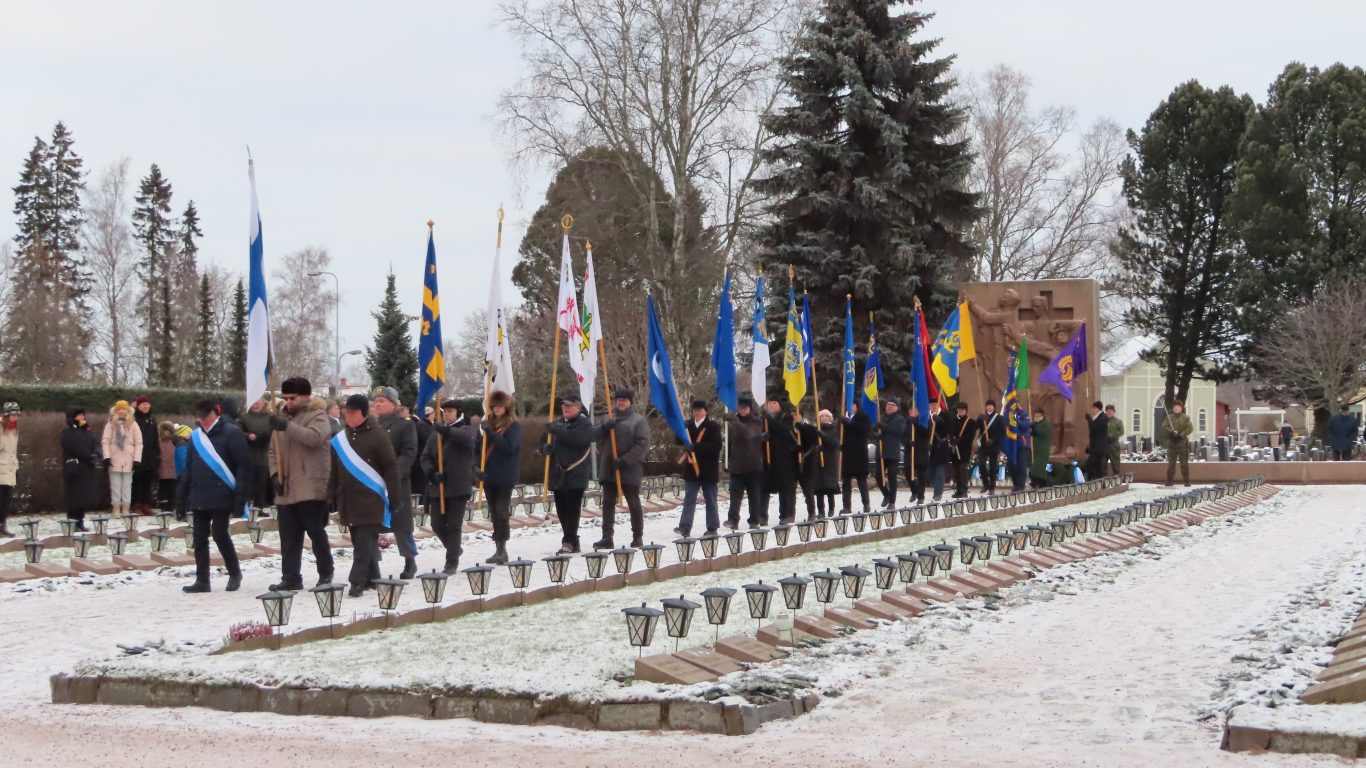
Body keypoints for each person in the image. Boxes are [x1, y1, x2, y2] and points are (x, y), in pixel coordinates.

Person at [267, 377, 336, 591]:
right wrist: (274, 474)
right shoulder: (282, 419)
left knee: (315, 532)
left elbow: (313, 438)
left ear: (305, 396)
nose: (288, 402)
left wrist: (287, 426)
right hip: (287, 486)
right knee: (288, 536)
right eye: (286, 398)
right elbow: (272, 450)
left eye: (293, 397)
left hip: (311, 485)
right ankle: (290, 577)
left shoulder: (318, 415)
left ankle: (325, 571)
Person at [176, 399, 251, 594]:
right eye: (201, 418)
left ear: (215, 414)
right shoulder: (196, 437)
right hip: (199, 494)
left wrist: (240, 498)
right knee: (199, 538)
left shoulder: (232, 433)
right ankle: (202, 580)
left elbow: (243, 466)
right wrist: (181, 499)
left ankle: (234, 573)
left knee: (219, 534)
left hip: (223, 493)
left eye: (207, 417)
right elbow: (189, 470)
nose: (204, 421)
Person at [329, 394, 400, 597]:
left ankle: (356, 582)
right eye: (346, 412)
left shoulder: (378, 435)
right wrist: (331, 495)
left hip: (371, 499)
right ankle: (372, 577)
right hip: (348, 500)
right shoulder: (341, 439)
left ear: (363, 413)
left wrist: (394, 498)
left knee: (363, 543)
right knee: (361, 541)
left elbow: (391, 468)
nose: (348, 416)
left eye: (352, 412)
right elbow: (334, 470)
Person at [422, 399, 480, 574]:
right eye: (444, 411)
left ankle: (451, 561)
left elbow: (467, 440)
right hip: (438, 487)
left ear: (458, 413)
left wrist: (446, 431)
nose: (446, 414)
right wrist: (432, 472)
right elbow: (425, 457)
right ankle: (454, 548)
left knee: (454, 525)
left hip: (458, 487)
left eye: (450, 411)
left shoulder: (466, 429)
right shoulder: (435, 434)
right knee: (437, 525)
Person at [594, 386, 650, 549]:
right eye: (618, 400)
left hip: (629, 468)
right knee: (608, 503)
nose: (621, 403)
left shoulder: (638, 421)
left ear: (630, 402)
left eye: (624, 400)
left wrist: (625, 460)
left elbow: (642, 445)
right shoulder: (608, 419)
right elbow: (593, 434)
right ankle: (607, 537)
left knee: (633, 503)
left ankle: (637, 536)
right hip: (609, 468)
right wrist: (604, 427)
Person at [372, 386, 418, 579]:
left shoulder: (405, 426)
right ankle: (372, 563)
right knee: (372, 525)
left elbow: (409, 453)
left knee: (401, 525)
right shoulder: (372, 426)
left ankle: (409, 560)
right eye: (376, 401)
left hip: (396, 484)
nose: (377, 404)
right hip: (374, 483)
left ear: (393, 404)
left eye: (382, 401)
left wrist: (393, 475)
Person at [543, 394, 593, 554]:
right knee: (562, 510)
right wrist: (544, 448)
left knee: (572, 509)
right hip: (558, 474)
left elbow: (578, 439)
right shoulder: (557, 423)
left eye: (569, 405)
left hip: (576, 473)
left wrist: (557, 430)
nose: (565, 408)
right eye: (564, 405)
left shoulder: (584, 423)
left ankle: (568, 541)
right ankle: (572, 540)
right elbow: (542, 443)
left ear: (578, 408)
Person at [477, 390, 522, 564]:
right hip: (489, 475)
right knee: (494, 513)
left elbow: (509, 447)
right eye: (494, 405)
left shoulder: (513, 426)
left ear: (506, 407)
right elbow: (477, 448)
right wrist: (475, 466)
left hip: (505, 474)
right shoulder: (486, 425)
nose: (497, 408)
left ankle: (502, 548)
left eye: (500, 405)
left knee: (501, 511)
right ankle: (497, 548)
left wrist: (492, 434)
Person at [675, 400, 722, 537]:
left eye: (700, 410)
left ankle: (712, 527)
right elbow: (678, 441)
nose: (697, 413)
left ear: (706, 411)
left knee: (711, 500)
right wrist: (680, 430)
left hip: (708, 469)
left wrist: (696, 447)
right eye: (695, 410)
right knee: (689, 499)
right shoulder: (688, 425)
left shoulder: (713, 426)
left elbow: (716, 446)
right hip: (691, 469)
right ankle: (684, 527)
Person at [722, 396, 765, 530]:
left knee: (754, 495)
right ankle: (732, 519)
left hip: (753, 465)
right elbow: (729, 443)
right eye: (740, 408)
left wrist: (734, 420)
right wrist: (726, 461)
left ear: (750, 409)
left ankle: (754, 520)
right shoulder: (733, 423)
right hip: (737, 465)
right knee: (735, 495)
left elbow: (748, 433)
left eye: (745, 408)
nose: (743, 411)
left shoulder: (756, 422)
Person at [101, 400, 142, 521]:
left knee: (126, 486)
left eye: (124, 409)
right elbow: (105, 441)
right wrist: (107, 456)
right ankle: (116, 508)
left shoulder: (134, 425)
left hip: (129, 458)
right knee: (115, 485)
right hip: (115, 457)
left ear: (128, 411)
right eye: (119, 409)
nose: (122, 411)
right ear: (116, 411)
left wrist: (137, 459)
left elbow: (139, 443)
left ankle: (125, 508)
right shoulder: (110, 424)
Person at [61, 408, 100, 531]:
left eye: (83, 415)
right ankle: (72, 521)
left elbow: (96, 443)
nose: (82, 418)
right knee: (74, 496)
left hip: (87, 467)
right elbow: (71, 446)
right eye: (79, 416)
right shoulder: (67, 431)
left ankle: (80, 520)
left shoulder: (87, 430)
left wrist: (96, 453)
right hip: (74, 467)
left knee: (84, 496)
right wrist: (87, 455)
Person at [763, 397, 799, 525]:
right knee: (765, 488)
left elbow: (783, 430)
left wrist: (770, 421)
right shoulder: (764, 419)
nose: (771, 405)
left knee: (786, 488)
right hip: (769, 458)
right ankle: (762, 516)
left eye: (774, 403)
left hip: (785, 457)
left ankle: (787, 514)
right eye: (770, 403)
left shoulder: (786, 417)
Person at [238, 397, 275, 510]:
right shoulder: (244, 416)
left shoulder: (270, 417)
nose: (255, 405)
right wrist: (247, 435)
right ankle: (246, 507)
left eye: (258, 402)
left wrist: (265, 435)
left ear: (264, 403)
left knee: (261, 482)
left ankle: (260, 505)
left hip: (264, 454)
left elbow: (274, 431)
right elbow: (238, 430)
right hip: (249, 454)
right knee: (249, 483)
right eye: (253, 402)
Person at [803, 409, 840, 517]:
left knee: (829, 487)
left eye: (826, 416)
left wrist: (822, 435)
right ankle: (821, 511)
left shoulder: (833, 429)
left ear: (830, 418)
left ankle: (831, 508)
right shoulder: (816, 430)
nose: (824, 418)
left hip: (829, 461)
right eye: (822, 416)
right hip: (817, 461)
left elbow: (832, 443)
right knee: (819, 489)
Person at [839, 402, 872, 514]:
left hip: (859, 454)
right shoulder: (842, 417)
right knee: (846, 483)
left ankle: (866, 503)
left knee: (862, 481)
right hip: (847, 454)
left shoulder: (863, 417)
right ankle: (846, 506)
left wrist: (849, 423)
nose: (850, 407)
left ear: (857, 406)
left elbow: (864, 431)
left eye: (853, 404)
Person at [131, 395, 160, 516]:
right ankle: (136, 505)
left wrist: (157, 454)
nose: (146, 406)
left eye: (148, 404)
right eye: (143, 404)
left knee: (148, 482)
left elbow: (155, 438)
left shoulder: (152, 419)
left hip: (150, 455)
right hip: (138, 455)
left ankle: (146, 505)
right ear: (138, 406)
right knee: (137, 481)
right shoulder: (134, 419)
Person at [876, 399, 907, 508]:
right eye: (888, 404)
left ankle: (892, 501)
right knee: (878, 477)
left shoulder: (900, 419)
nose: (889, 406)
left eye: (892, 405)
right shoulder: (881, 417)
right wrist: (876, 434)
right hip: (881, 452)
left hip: (893, 453)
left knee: (892, 477)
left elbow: (897, 431)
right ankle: (886, 494)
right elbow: (873, 430)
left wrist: (882, 427)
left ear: (897, 407)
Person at [949, 402, 979, 498]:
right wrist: (952, 440)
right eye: (959, 409)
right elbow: (950, 432)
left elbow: (970, 436)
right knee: (956, 470)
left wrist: (960, 440)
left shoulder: (971, 422)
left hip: (964, 450)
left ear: (966, 411)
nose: (960, 411)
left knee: (963, 470)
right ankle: (958, 490)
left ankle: (964, 490)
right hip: (955, 450)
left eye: (962, 409)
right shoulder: (953, 420)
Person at [903, 404, 931, 505]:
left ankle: (921, 496)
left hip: (921, 451)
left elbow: (927, 433)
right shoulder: (907, 422)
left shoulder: (925, 421)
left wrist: (917, 425)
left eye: (914, 410)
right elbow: (902, 436)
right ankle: (914, 490)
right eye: (910, 410)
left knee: (921, 476)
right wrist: (907, 442)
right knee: (907, 471)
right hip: (910, 452)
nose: (912, 412)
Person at [975, 400, 1005, 494]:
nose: (989, 407)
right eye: (988, 405)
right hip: (983, 445)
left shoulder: (999, 418)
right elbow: (976, 427)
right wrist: (980, 419)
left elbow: (1002, 432)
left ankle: (992, 487)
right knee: (981, 464)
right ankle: (985, 484)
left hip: (994, 445)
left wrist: (993, 440)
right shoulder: (982, 416)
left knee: (993, 466)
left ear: (994, 407)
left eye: (991, 406)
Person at [1162, 401, 1194, 487]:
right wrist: (1171, 432)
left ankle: (1186, 481)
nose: (1176, 408)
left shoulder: (1186, 418)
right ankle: (1169, 480)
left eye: (1178, 407)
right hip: (1172, 443)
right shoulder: (1169, 417)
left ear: (1181, 408)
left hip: (1182, 444)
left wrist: (1182, 435)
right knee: (1171, 463)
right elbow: (1164, 426)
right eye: (1174, 407)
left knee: (1184, 463)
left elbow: (1190, 428)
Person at [0, 403, 18, 536]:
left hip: (9, 469)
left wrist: (15, 467)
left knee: (5, 499)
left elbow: (13, 451)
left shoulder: (14, 430)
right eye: (13, 414)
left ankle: (2, 524)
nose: (15, 417)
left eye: (17, 415)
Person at [929, 402, 953, 501]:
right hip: (930, 448)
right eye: (931, 404)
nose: (933, 406)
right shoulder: (926, 416)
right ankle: (936, 488)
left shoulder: (945, 415)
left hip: (941, 447)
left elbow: (950, 429)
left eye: (935, 404)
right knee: (931, 473)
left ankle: (938, 493)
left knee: (940, 472)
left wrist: (940, 421)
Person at [156, 421, 179, 512]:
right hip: (162, 469)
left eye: (169, 430)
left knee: (173, 489)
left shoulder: (174, 442)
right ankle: (163, 506)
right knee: (163, 489)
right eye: (165, 430)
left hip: (173, 470)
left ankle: (172, 505)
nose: (167, 432)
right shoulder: (158, 442)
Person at [1084, 401, 1108, 480]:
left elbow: (1095, 428)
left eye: (1093, 408)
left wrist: (1089, 419)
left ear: (1097, 408)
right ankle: (1100, 482)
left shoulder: (1103, 418)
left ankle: (1090, 481)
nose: (1092, 410)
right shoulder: (1098, 417)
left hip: (1099, 448)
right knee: (1097, 467)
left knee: (1089, 465)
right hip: (1096, 447)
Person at [1029, 409, 1052, 488]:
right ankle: (1041, 483)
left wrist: (1034, 426)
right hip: (1036, 449)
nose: (1036, 415)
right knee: (1039, 467)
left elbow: (1042, 432)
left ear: (1042, 415)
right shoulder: (1035, 423)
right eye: (1035, 413)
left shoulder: (1045, 424)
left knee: (1037, 467)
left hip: (1043, 449)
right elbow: (1032, 432)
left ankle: (1036, 482)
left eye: (1038, 414)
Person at [1105, 404, 1124, 476]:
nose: (1109, 412)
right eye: (1107, 411)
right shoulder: (1103, 421)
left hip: (1114, 445)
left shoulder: (1118, 421)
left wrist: (1113, 435)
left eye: (1111, 411)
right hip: (1104, 445)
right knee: (1102, 464)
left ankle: (1116, 479)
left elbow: (1121, 431)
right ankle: (1103, 480)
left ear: (1114, 412)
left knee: (1115, 464)